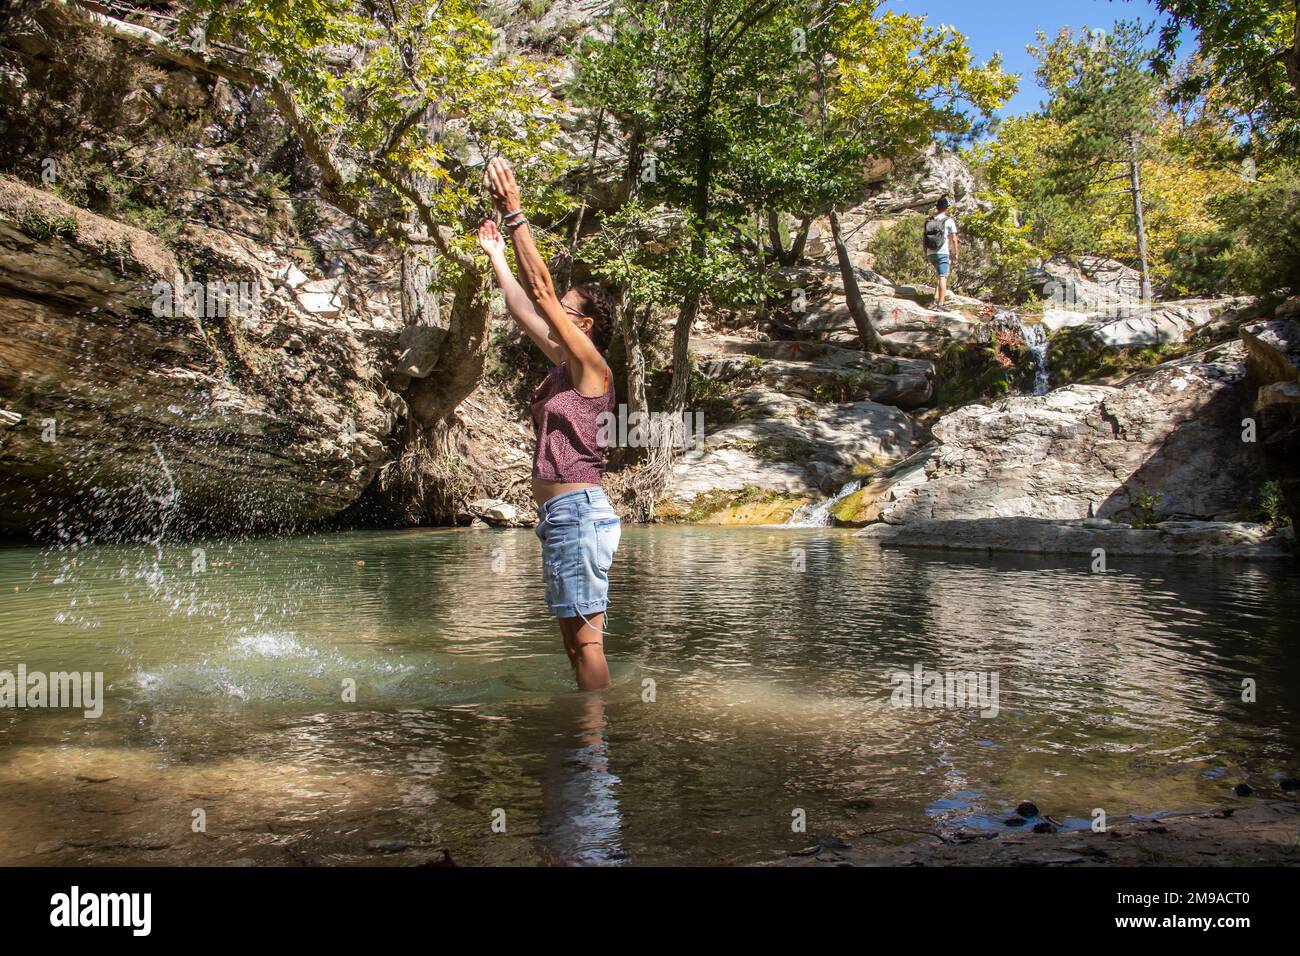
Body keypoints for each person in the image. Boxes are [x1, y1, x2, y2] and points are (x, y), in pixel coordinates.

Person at [477, 156, 620, 692]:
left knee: (586, 643)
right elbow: (524, 306)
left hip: (578, 514)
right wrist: (498, 259)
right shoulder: (565, 365)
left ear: (583, 324)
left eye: (566, 308)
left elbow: (540, 294)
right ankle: (585, 750)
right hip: (561, 516)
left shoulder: (592, 368)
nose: (554, 309)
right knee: (573, 644)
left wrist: (515, 215)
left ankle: (593, 755)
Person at [922, 196, 959, 311]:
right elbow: (953, 238)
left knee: (939, 275)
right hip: (942, 252)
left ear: (937, 208)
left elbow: (924, 238)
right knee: (943, 277)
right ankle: (941, 305)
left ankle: (935, 298)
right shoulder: (949, 221)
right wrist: (955, 252)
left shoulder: (929, 220)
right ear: (946, 208)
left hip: (930, 252)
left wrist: (925, 254)